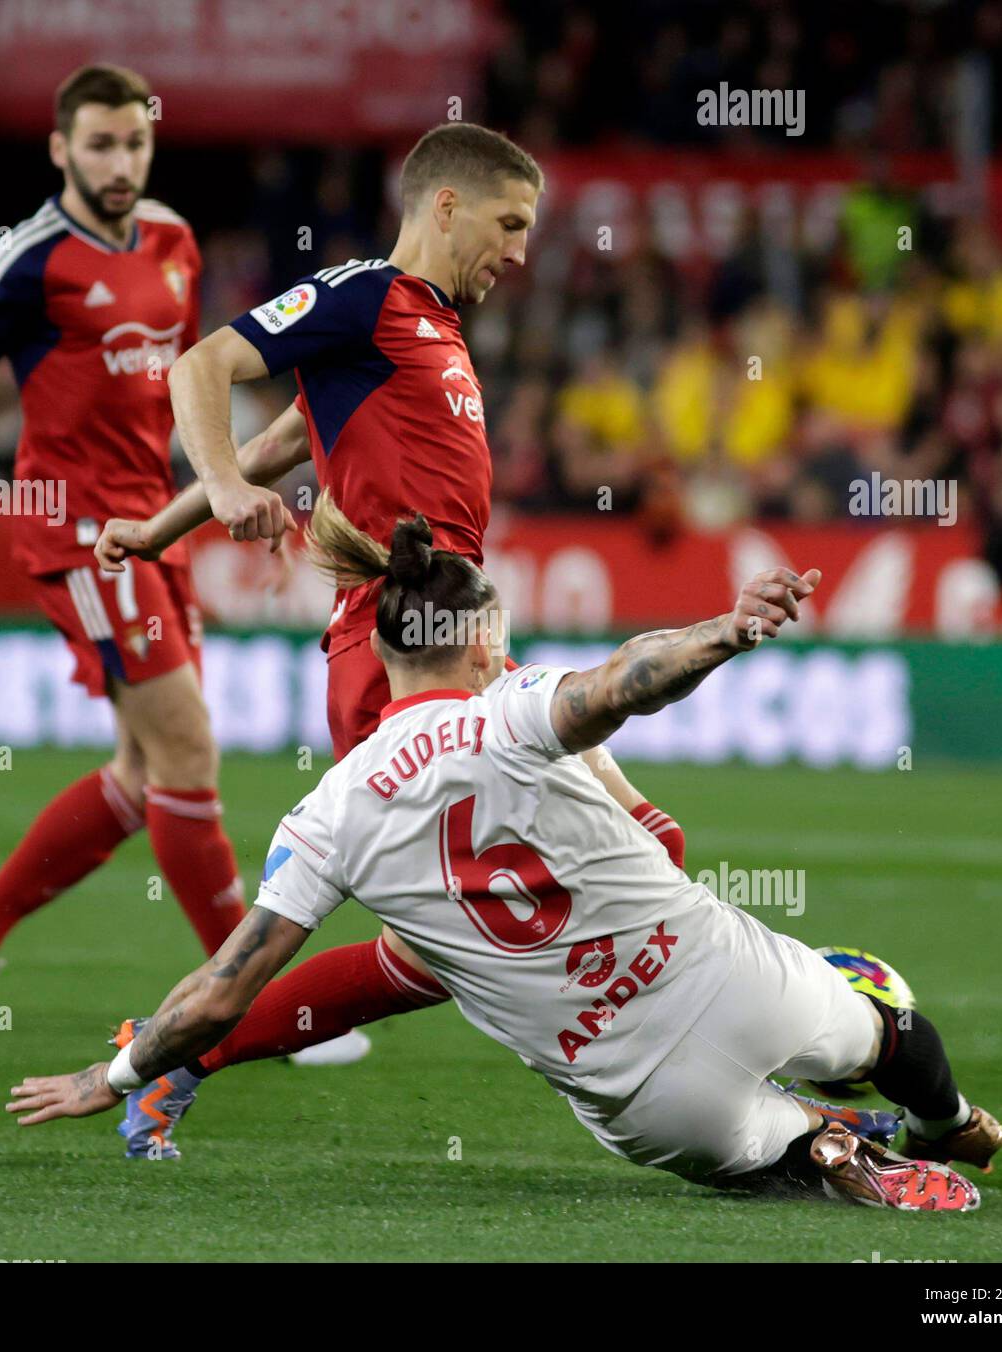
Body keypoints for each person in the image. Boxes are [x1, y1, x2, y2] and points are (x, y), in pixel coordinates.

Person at [8, 496, 1002, 1209]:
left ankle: (813, 1142)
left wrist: (122, 1069)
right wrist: (726, 630)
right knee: (885, 1016)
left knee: (755, 1150)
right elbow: (625, 679)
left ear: (387, 654)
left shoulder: (327, 815)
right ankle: (939, 1116)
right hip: (728, 977)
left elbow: (223, 985)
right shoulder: (513, 707)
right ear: (485, 641)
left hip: (638, 1093)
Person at [90, 124, 687, 1135]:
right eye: (509, 223)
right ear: (445, 205)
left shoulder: (432, 327)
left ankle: (177, 1048)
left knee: (640, 849)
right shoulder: (362, 294)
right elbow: (202, 364)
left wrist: (161, 523)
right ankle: (178, 1048)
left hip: (467, 640)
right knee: (473, 934)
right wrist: (224, 485)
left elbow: (291, 436)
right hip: (397, 652)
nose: (519, 249)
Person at [0, 64, 362, 1067]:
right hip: (76, 534)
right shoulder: (24, 261)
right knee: (190, 755)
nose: (120, 163)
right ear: (60, 149)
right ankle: (244, 1002)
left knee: (141, 772)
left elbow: (184, 389)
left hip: (155, 524)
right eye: (100, 145)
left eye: (135, 145)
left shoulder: (172, 242)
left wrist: (229, 490)